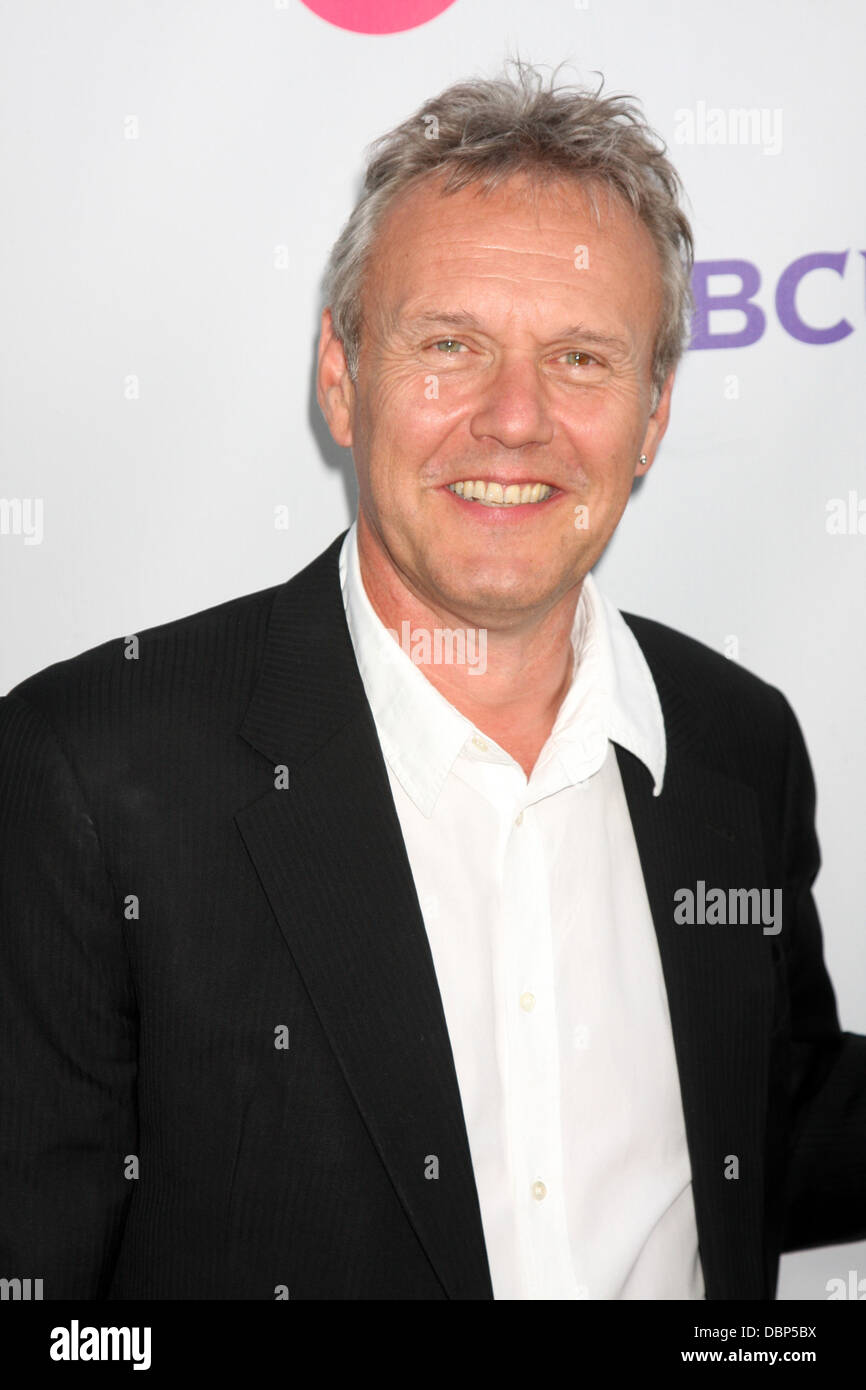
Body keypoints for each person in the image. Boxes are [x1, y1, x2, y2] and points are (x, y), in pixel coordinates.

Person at [1, 60, 863, 1301]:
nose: (512, 420)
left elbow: (757, 1111)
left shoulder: (736, 743)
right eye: (449, 344)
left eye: (578, 359)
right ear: (341, 379)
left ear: (654, 413)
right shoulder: (93, 772)